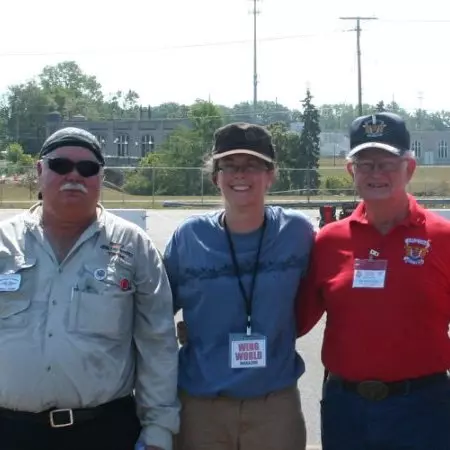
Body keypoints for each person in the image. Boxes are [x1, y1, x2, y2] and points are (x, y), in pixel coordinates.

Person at [0, 127, 179, 450]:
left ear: (101, 176)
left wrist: (158, 432)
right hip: (10, 431)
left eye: (87, 168)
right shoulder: (4, 242)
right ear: (40, 170)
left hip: (104, 431)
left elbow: (158, 343)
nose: (74, 175)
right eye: (60, 165)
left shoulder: (132, 245)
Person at [297, 112, 450, 450]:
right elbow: (296, 321)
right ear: (352, 171)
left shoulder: (442, 237)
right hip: (346, 408)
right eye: (366, 164)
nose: (376, 173)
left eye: (387, 163)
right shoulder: (329, 240)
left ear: (409, 169)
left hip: (425, 408)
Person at [163, 122, 315, 450]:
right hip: (201, 406)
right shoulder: (189, 238)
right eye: (229, 166)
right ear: (215, 176)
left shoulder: (297, 234)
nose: (240, 175)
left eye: (252, 166)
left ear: (271, 174)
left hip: (274, 407)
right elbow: (155, 316)